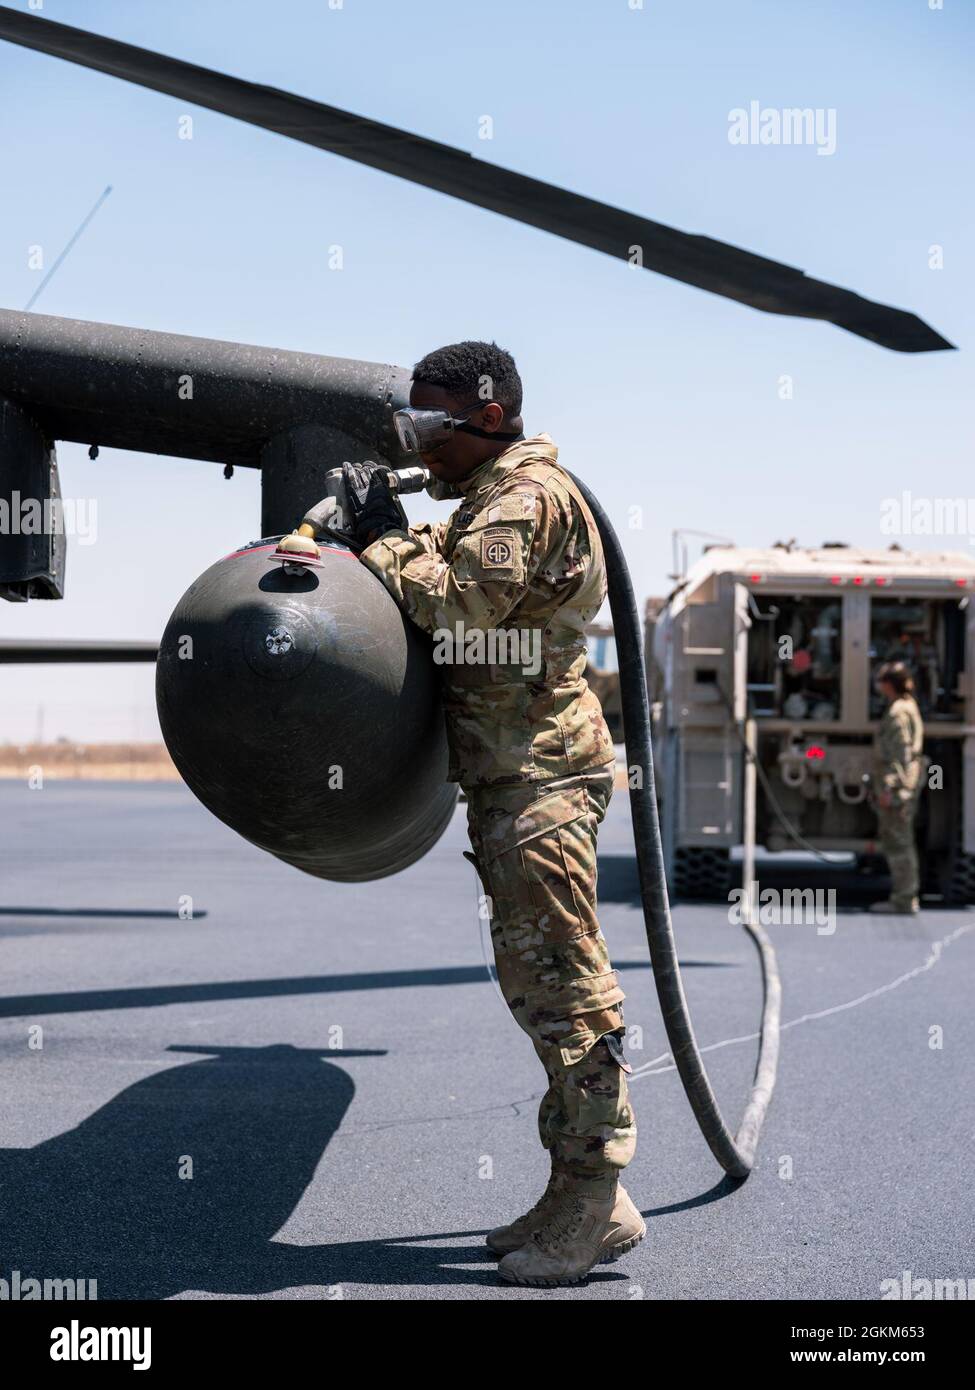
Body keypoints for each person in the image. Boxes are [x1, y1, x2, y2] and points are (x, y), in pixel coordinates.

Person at [351, 340, 643, 1286]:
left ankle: (592, 1196)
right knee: (535, 983)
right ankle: (587, 1198)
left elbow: (465, 609)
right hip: (517, 773)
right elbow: (466, 572)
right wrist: (405, 530)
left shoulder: (521, 497)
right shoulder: (493, 499)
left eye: (429, 428)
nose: (417, 447)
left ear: (486, 417)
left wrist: (381, 540)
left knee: (563, 990)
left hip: (540, 775)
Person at [870, 661, 924, 915]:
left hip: (899, 786)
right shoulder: (906, 706)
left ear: (889, 684)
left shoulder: (898, 713)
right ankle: (905, 896)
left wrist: (890, 788)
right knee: (900, 839)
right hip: (905, 783)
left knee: (899, 841)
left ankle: (904, 899)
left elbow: (899, 754)